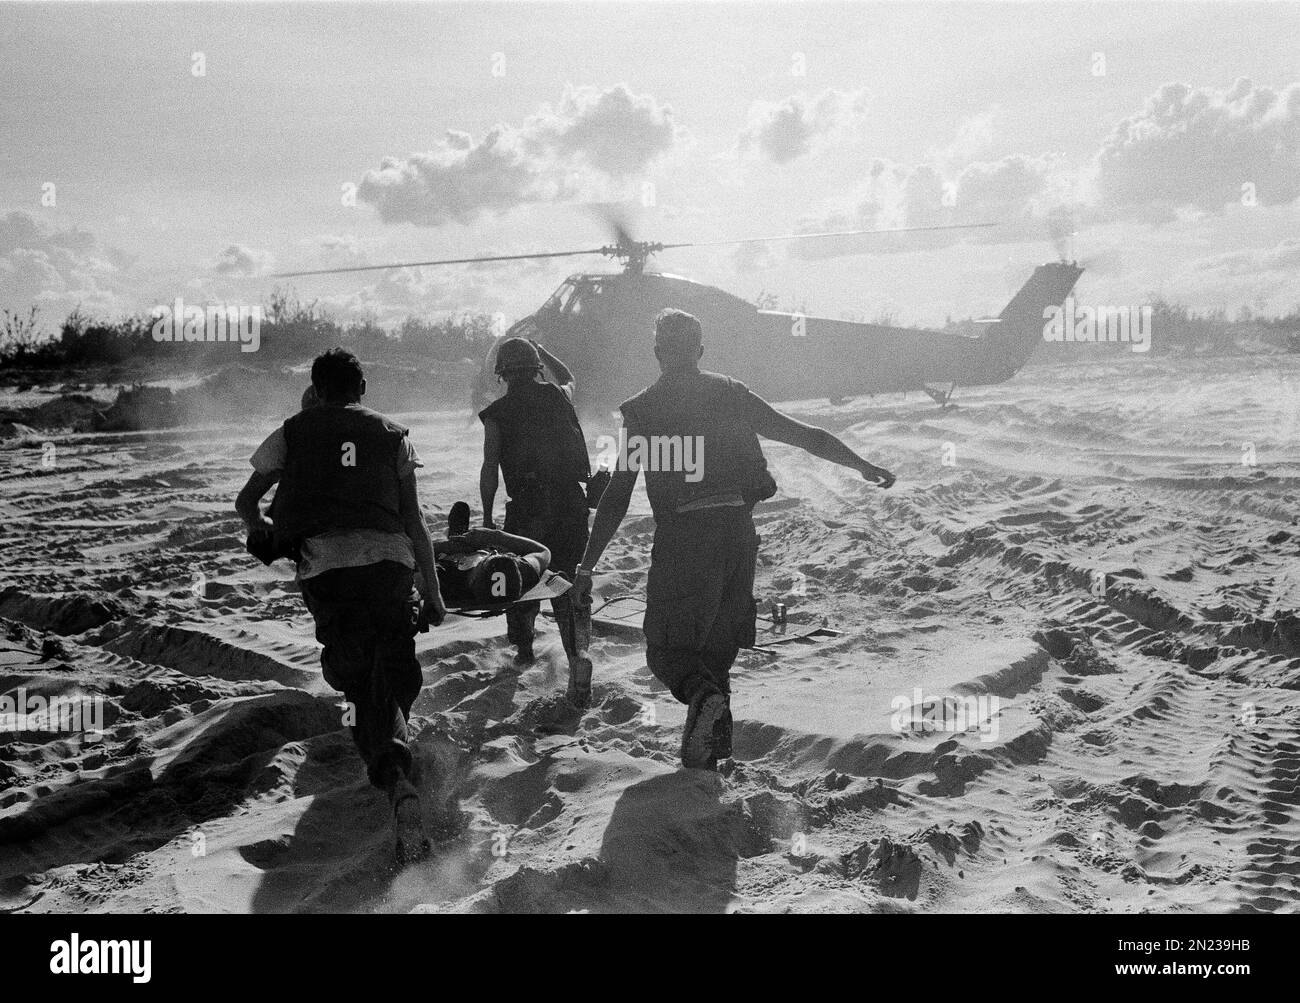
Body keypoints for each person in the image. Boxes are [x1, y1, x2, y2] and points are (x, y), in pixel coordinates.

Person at [573, 309, 896, 770]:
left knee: (667, 651)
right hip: (738, 535)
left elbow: (619, 494)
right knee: (716, 651)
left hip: (685, 539)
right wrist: (861, 465)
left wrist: (587, 565)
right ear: (700, 351)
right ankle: (707, 759)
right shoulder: (730, 393)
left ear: (658, 352)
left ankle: (702, 702)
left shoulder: (642, 410)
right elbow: (805, 436)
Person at [234, 348, 446, 864]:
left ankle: (393, 775)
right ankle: (394, 743)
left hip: (328, 570)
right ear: (362, 388)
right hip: (390, 564)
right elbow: (414, 520)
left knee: (354, 673)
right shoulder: (393, 434)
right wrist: (434, 590)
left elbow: (246, 501)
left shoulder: (292, 431)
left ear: (316, 388)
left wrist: (261, 529)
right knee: (394, 659)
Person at [479, 337, 591, 666]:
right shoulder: (557, 395)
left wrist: (487, 517)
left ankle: (525, 649)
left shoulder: (496, 415)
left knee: (523, 580)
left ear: (502, 373)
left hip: (527, 511)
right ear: (536, 368)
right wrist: (543, 350)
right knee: (567, 583)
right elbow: (569, 378)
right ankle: (577, 657)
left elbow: (490, 468)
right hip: (570, 505)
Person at [434, 500, 551, 607]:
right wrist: (496, 536)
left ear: (474, 580)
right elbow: (543, 551)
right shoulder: (522, 570)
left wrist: (444, 546)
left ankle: (457, 536)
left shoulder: (446, 580)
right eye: (497, 555)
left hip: (453, 559)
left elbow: (423, 556)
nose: (495, 553)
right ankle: (461, 537)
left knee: (449, 552)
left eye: (488, 561)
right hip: (482, 552)